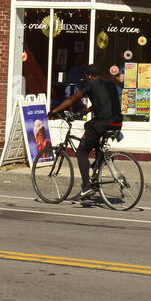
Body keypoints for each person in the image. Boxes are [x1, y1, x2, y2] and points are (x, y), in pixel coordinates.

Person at [49, 62, 122, 200]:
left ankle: (87, 187)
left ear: (89, 76)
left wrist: (54, 111)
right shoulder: (110, 84)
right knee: (91, 131)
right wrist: (85, 111)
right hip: (117, 123)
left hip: (102, 123)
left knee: (82, 152)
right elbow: (103, 103)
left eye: (87, 76)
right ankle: (98, 164)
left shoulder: (90, 84)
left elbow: (73, 98)